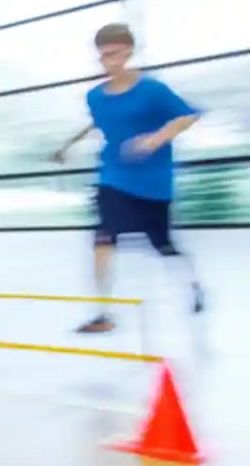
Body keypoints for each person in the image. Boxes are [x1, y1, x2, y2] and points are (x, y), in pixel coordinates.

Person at [52, 23, 204, 333]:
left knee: (163, 245)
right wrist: (68, 144)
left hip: (153, 182)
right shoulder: (95, 96)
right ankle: (103, 314)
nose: (109, 62)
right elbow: (97, 123)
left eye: (115, 54)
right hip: (113, 176)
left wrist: (155, 139)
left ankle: (193, 285)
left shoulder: (153, 90)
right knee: (103, 237)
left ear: (129, 52)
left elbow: (188, 115)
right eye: (103, 56)